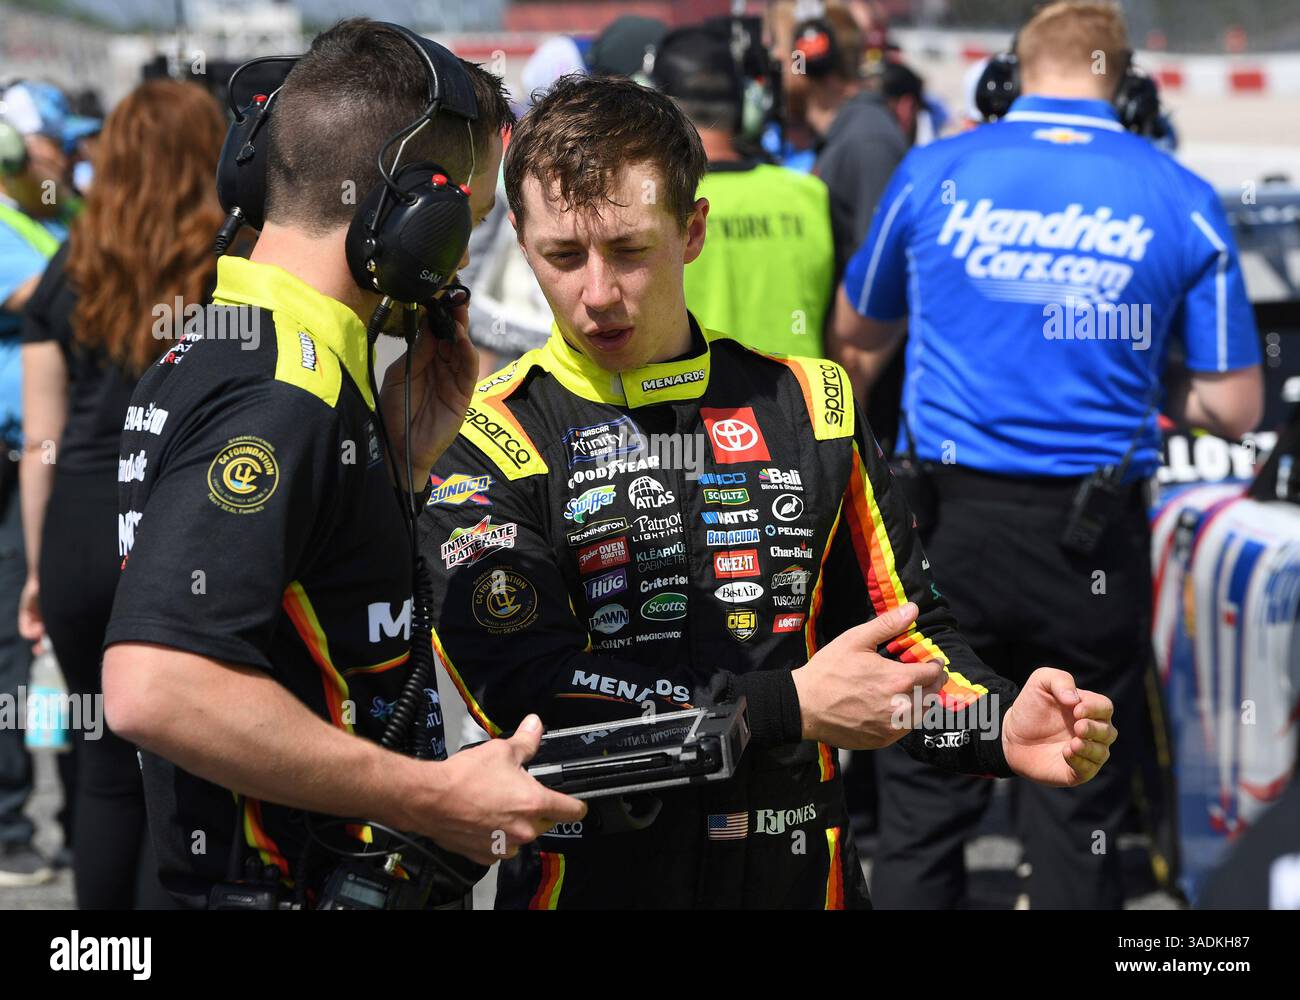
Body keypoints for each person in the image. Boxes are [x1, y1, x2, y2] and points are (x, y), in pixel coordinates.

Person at [420, 73, 1118, 910]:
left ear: (693, 230)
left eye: (630, 251)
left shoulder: (811, 405)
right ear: (523, 245)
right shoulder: (485, 436)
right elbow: (531, 698)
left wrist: (997, 726)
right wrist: (780, 707)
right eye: (563, 256)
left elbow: (903, 639)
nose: (597, 293)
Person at [100, 18, 584, 908]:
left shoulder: (226, 345)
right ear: (414, 218)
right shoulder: (286, 394)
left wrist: (398, 469)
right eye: (465, 226)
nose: (459, 264)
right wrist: (431, 795)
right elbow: (153, 685)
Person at [832, 0, 1264, 909]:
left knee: (926, 793)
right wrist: (1142, 382)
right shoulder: (1177, 191)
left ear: (1014, 76)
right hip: (1090, 537)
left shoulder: (935, 169)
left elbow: (855, 340)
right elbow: (1234, 406)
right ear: (1124, 79)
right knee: (1080, 789)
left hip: (942, 526)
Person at [19, 80, 224, 909]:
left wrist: (38, 570)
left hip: (74, 531)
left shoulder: (69, 265)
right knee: (178, 775)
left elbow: (44, 440)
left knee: (101, 766)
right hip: (180, 530)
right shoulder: (226, 263)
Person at [0, 80, 88, 887]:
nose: (68, 157)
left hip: (40, 457)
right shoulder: (7, 227)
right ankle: (8, 824)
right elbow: (43, 296)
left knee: (48, 648)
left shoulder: (53, 215)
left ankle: (67, 820)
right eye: (54, 144)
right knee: (13, 649)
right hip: (13, 460)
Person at [655, 25, 835, 358]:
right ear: (748, 106)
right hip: (803, 403)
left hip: (689, 406)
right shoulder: (810, 195)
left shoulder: (652, 204)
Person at [793, 13, 908, 277]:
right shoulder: (846, 134)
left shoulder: (868, 140)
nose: (774, 57)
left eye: (781, 48)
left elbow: (878, 269)